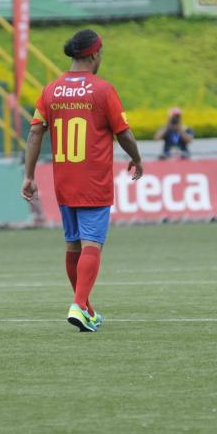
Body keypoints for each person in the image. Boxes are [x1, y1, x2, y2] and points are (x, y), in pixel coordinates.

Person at [20, 29, 144, 333]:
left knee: (72, 244)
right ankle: (78, 304)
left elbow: (36, 131)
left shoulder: (51, 90)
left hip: (64, 179)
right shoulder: (103, 90)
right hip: (94, 180)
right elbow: (123, 132)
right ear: (94, 54)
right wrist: (137, 158)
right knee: (92, 244)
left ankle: (86, 309)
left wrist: (28, 175)